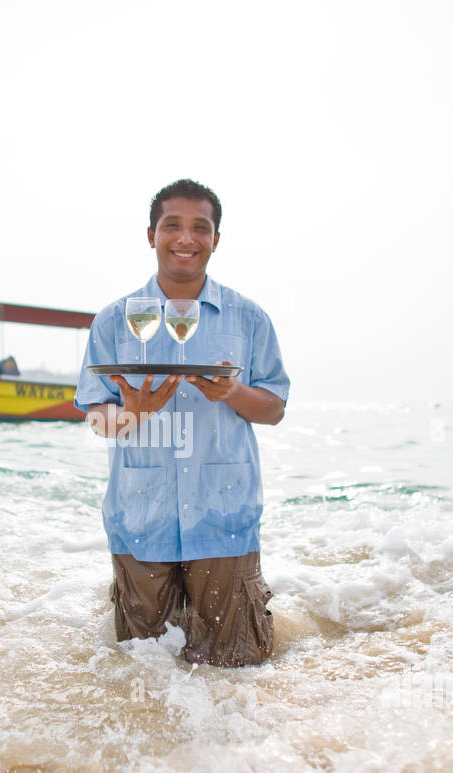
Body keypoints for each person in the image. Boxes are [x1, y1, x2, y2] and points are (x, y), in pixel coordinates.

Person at [73, 179, 290, 667]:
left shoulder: (249, 318)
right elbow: (98, 420)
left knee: (238, 669)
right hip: (140, 518)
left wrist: (233, 392)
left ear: (216, 239)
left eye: (201, 228)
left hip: (224, 517)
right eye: (172, 225)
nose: (185, 238)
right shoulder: (113, 320)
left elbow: (274, 408)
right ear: (151, 235)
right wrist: (133, 414)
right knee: (144, 676)